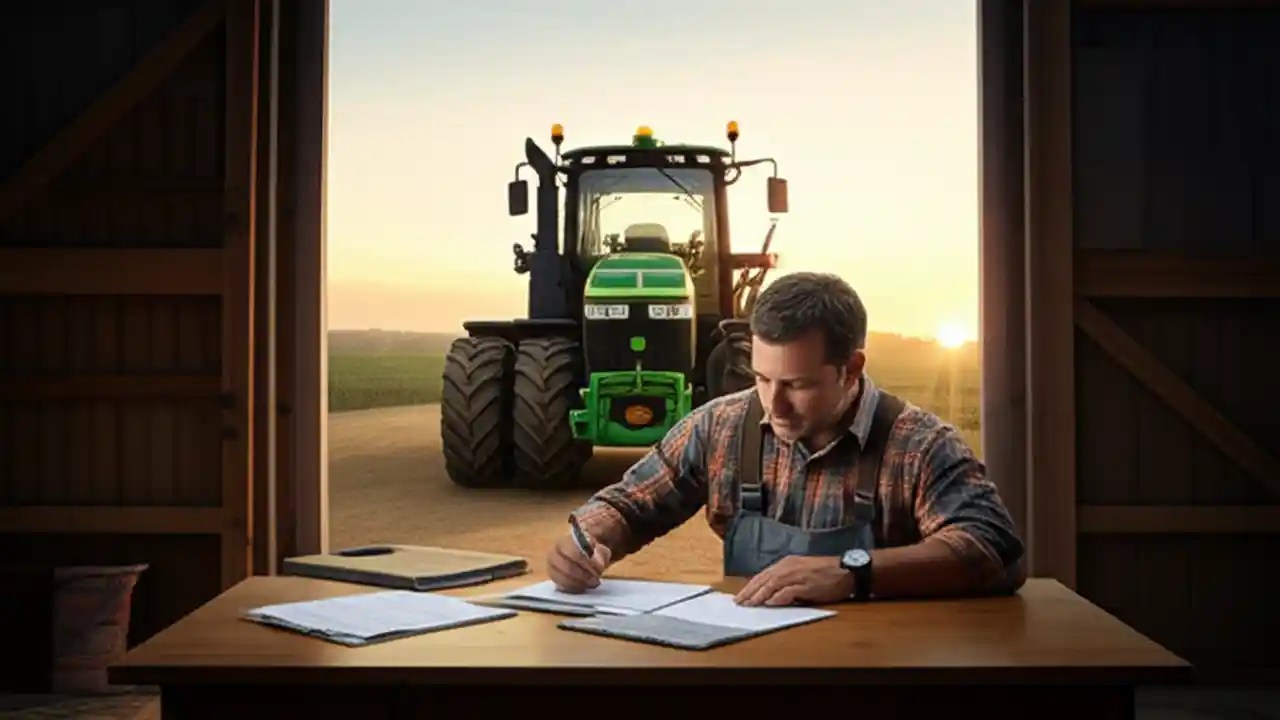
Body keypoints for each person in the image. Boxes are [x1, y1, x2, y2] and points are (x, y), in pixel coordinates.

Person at [546, 272, 1026, 606]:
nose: (773, 406)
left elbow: (992, 547)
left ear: (852, 369)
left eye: (797, 385)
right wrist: (586, 539)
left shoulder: (919, 445)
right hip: (751, 669)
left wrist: (852, 571)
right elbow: (630, 503)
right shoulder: (719, 427)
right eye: (761, 378)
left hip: (877, 674)